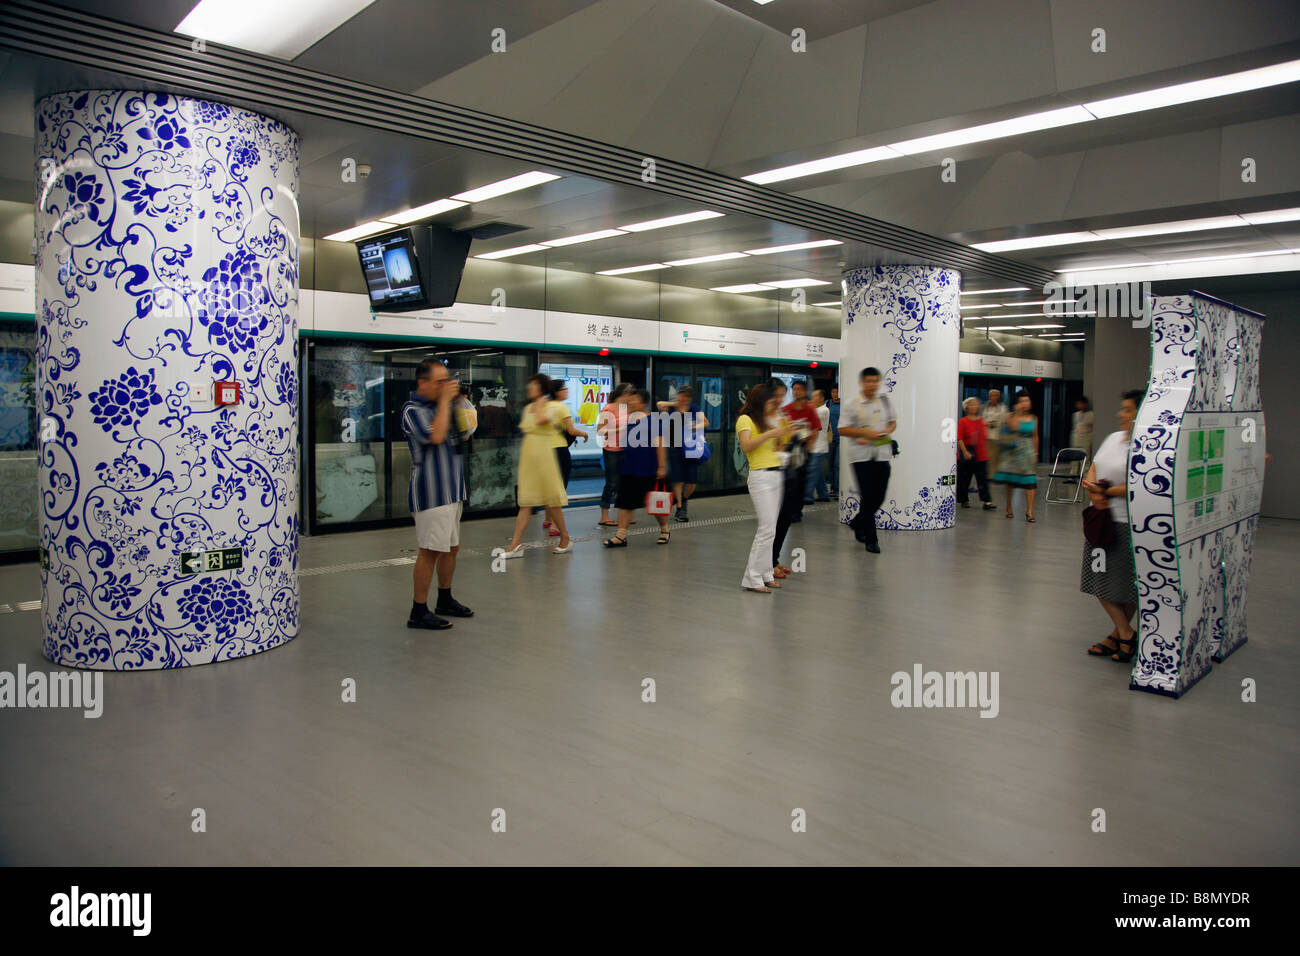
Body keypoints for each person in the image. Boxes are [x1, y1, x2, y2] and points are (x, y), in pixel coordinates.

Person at [401, 358, 473, 630]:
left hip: (453, 489)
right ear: (423, 383)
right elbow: (436, 436)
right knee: (429, 550)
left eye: (447, 381)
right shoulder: (413, 409)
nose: (445, 386)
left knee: (451, 548)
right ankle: (418, 611)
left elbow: (465, 432)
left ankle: (445, 598)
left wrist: (459, 404)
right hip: (432, 492)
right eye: (439, 382)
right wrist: (446, 402)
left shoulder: (443, 406)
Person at [1082, 390, 1144, 662]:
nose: (1121, 414)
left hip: (1128, 523)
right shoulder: (1112, 439)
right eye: (1122, 409)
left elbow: (1137, 483)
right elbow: (1094, 467)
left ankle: (1119, 635)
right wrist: (1096, 492)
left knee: (1125, 586)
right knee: (1098, 580)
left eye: (1128, 410)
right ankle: (1126, 633)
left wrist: (1104, 492)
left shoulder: (1145, 446)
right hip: (1102, 521)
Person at [504, 373, 572, 558]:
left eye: (533, 385)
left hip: (545, 457)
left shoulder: (554, 407)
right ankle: (515, 545)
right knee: (525, 503)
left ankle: (565, 538)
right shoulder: (528, 408)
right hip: (529, 457)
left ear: (542, 388)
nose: (529, 388)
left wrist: (541, 403)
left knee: (553, 502)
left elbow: (543, 420)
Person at [737, 384, 795, 593]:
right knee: (766, 529)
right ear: (761, 400)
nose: (775, 403)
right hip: (760, 476)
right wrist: (771, 434)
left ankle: (765, 573)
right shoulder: (746, 419)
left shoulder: (771, 419)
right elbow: (747, 446)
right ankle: (752, 578)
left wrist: (785, 431)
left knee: (771, 529)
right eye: (771, 400)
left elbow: (781, 445)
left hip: (776, 473)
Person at [836, 367, 896, 553]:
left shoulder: (885, 401)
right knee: (868, 496)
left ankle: (857, 522)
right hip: (860, 456)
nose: (871, 384)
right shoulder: (853, 403)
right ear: (862, 383)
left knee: (879, 496)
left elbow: (893, 421)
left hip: (882, 453)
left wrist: (887, 431)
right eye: (868, 381)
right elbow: (842, 429)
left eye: (875, 381)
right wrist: (863, 432)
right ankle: (871, 539)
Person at [603, 389, 670, 547]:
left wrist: (661, 466)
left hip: (648, 468)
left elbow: (660, 444)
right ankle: (621, 536)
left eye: (633, 400)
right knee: (625, 502)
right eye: (630, 400)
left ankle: (665, 530)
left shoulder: (653, 421)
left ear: (643, 403)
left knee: (655, 503)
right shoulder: (630, 420)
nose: (630, 402)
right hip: (629, 467)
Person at [540, 380, 588, 536]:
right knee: (559, 488)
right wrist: (584, 433)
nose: (567, 391)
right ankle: (555, 525)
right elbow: (571, 430)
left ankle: (547, 519)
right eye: (564, 389)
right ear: (557, 391)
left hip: (545, 450)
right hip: (559, 450)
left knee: (549, 486)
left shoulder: (544, 406)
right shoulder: (561, 407)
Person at [656, 386, 708, 523]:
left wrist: (693, 426)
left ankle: (684, 499)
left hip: (690, 447)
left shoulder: (694, 409)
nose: (682, 398)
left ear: (690, 398)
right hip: (674, 447)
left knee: (692, 481)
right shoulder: (672, 408)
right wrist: (676, 403)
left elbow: (706, 422)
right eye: (681, 395)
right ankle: (680, 508)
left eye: (685, 396)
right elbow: (659, 404)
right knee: (678, 479)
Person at [766, 380, 799, 576]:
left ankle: (774, 559)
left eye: (782, 395)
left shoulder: (782, 415)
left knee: (785, 517)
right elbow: (771, 445)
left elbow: (784, 442)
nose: (780, 399)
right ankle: (768, 564)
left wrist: (792, 432)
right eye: (776, 395)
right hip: (770, 472)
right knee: (772, 522)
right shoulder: (763, 417)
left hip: (786, 469)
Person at [993, 392, 1039, 521]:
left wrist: (1036, 452)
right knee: (1011, 482)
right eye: (1022, 401)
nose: (1025, 403)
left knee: (1030, 482)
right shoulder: (1011, 416)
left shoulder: (1034, 418)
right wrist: (1018, 413)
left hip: (1027, 452)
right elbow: (1013, 427)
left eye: (1027, 400)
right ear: (1017, 403)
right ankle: (1009, 506)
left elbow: (1035, 436)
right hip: (1012, 452)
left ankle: (1030, 511)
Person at [783, 380, 821, 521]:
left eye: (799, 389)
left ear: (805, 392)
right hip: (790, 447)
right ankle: (789, 509)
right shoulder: (786, 409)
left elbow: (816, 428)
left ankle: (797, 510)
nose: (796, 391)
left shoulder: (810, 410)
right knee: (790, 479)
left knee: (801, 479)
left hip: (804, 448)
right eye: (794, 389)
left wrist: (811, 443)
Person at [597, 383, 632, 527]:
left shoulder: (627, 409)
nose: (631, 397)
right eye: (629, 394)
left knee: (624, 483)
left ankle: (623, 515)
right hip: (611, 449)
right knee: (611, 482)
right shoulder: (608, 408)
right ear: (623, 394)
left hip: (625, 449)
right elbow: (601, 430)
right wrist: (619, 428)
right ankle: (604, 516)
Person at [957, 397, 995, 510]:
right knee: (964, 478)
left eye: (976, 404)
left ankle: (987, 501)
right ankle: (964, 499)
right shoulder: (963, 421)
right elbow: (959, 438)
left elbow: (984, 437)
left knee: (983, 478)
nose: (975, 406)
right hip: (967, 451)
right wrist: (965, 451)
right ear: (966, 407)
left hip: (981, 453)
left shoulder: (982, 421)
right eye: (972, 404)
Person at [804, 389, 833, 504]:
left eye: (815, 396)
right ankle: (824, 494)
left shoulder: (823, 410)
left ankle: (807, 496)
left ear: (821, 398)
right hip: (813, 445)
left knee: (811, 471)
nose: (812, 399)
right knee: (817, 472)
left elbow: (809, 421)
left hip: (819, 446)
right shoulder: (815, 410)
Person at [982, 388, 1008, 478]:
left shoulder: (1002, 408)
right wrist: (987, 423)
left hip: (997, 436)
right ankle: (987, 475)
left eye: (996, 395)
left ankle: (993, 475)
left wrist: (994, 423)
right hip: (986, 436)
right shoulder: (984, 407)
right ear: (989, 397)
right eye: (992, 395)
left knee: (995, 457)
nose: (994, 397)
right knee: (986, 457)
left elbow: (1004, 420)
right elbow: (981, 419)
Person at [1069, 396, 1095, 483]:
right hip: (1076, 438)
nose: (1079, 406)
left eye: (1081, 404)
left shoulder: (1091, 414)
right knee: (1074, 459)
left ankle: (1085, 477)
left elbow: (1092, 427)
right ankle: (1073, 475)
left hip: (1086, 439)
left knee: (1085, 459)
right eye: (1078, 404)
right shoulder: (1075, 415)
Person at [827, 385, 841, 498]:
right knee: (830, 465)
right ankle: (832, 487)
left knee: (837, 465)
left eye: (837, 392)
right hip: (830, 438)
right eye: (833, 392)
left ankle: (837, 489)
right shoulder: (827, 404)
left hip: (841, 439)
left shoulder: (844, 405)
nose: (835, 394)